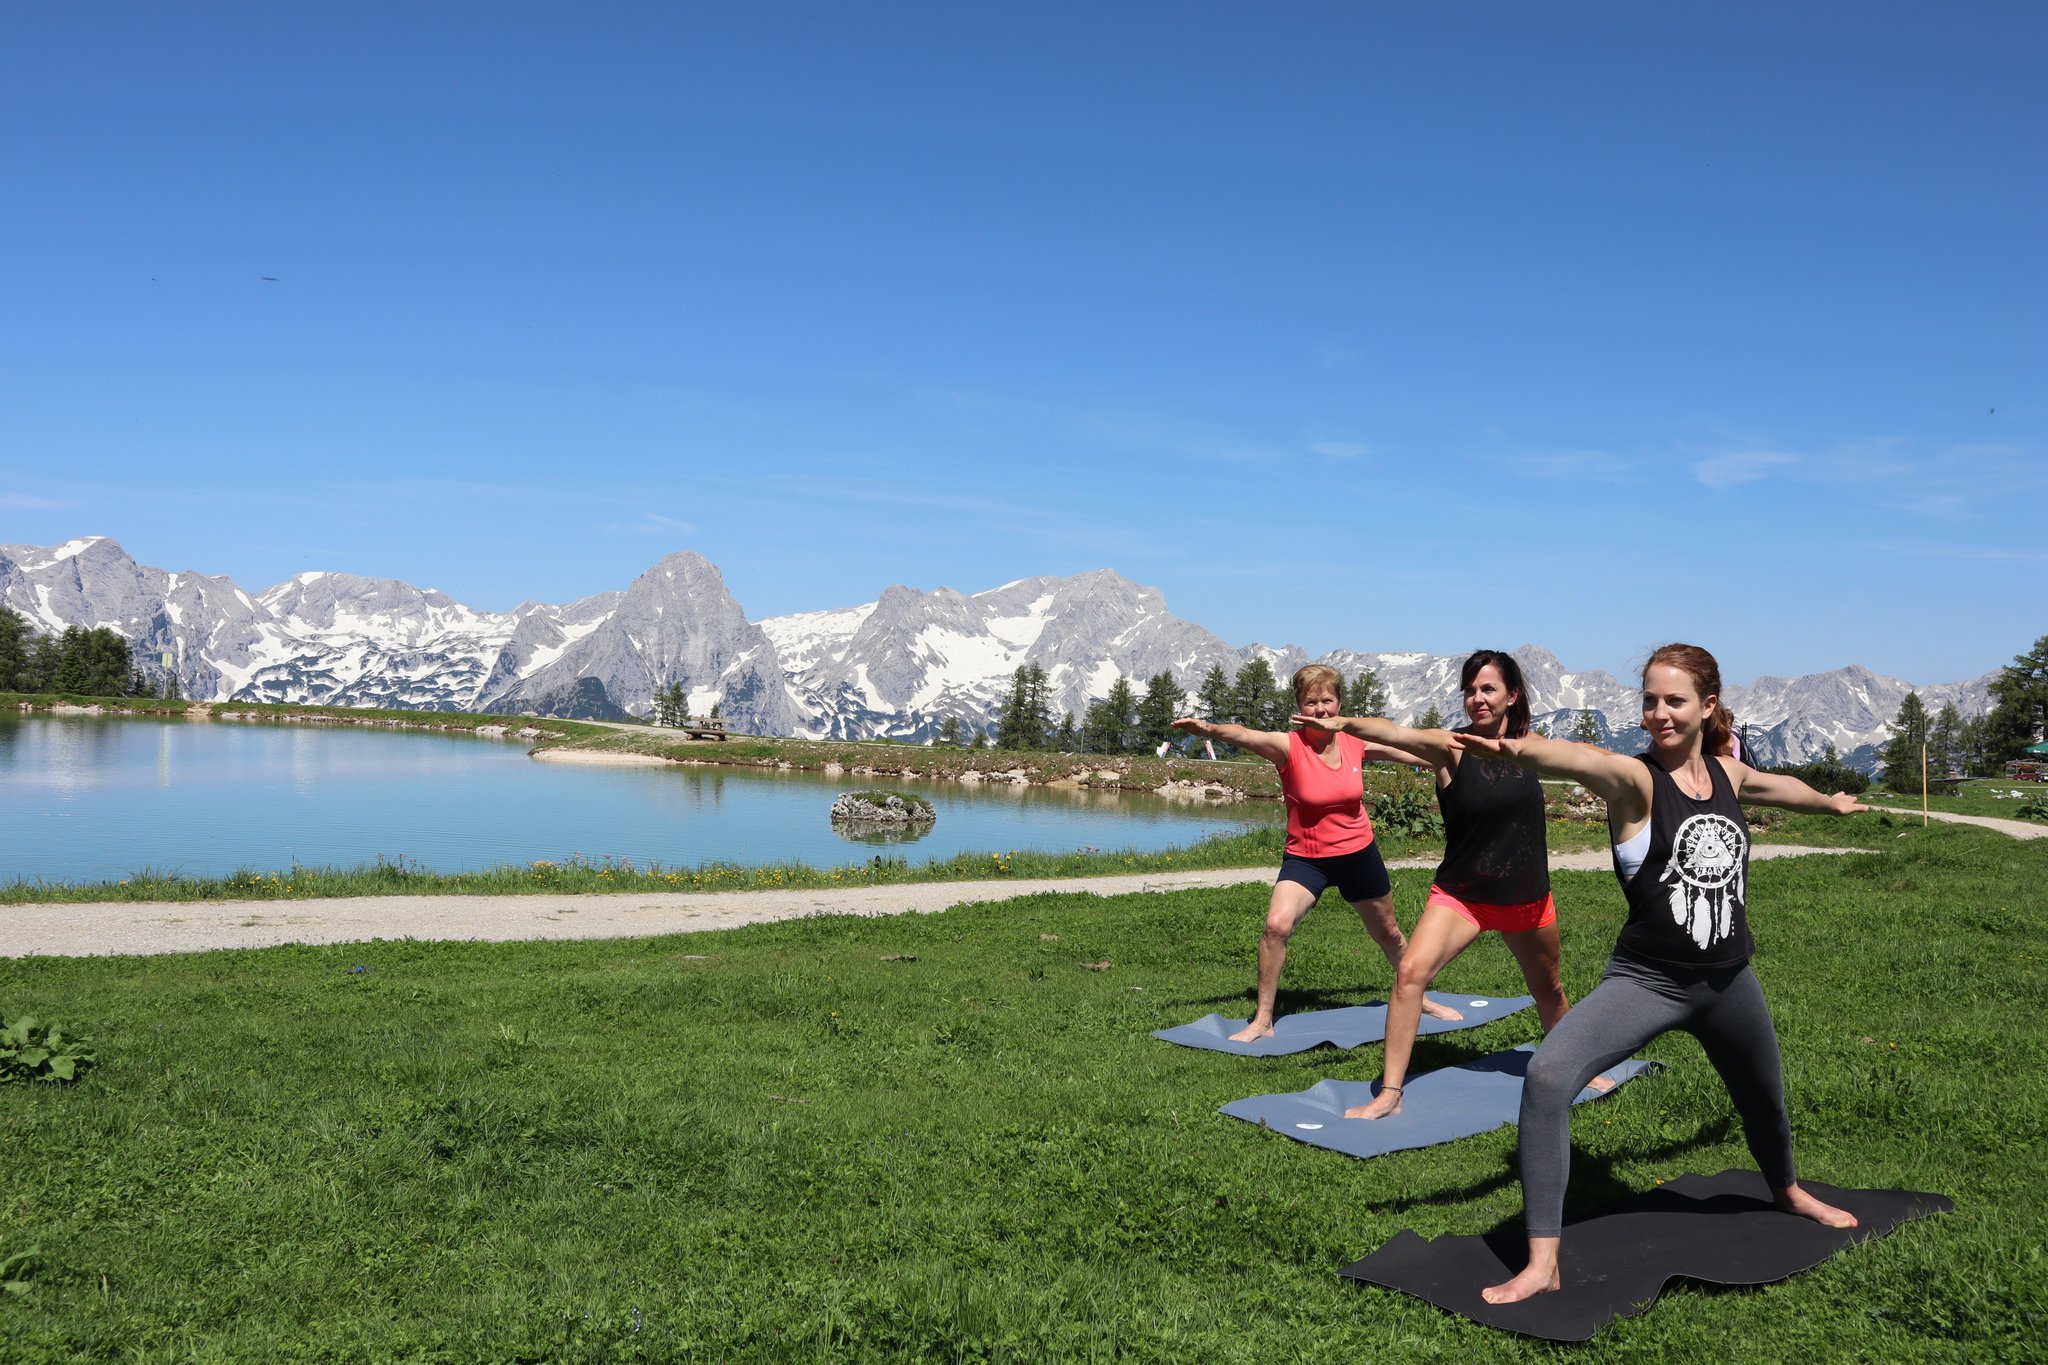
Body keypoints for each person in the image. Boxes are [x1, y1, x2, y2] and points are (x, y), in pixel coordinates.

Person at [1450, 643, 1867, 1305]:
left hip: (1731, 981)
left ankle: (1788, 1190)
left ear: (1707, 706)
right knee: (1548, 1076)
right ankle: (1541, 1259)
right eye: (1649, 700)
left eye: (1673, 700)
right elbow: (1585, 759)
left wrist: (1830, 803)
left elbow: (1778, 788)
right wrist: (1514, 748)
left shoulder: (1728, 776)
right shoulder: (1637, 782)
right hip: (1650, 981)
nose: (1658, 713)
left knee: (1765, 1098)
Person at [1291, 650, 1572, 1121]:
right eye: (1470, 690)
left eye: (1488, 689)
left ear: (1512, 695)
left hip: (1525, 897)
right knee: (1409, 975)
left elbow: (1592, 760)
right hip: (1462, 896)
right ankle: (1390, 1093)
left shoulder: (1531, 746)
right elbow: (1397, 733)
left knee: (1550, 992)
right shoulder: (1451, 747)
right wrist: (1345, 725)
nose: (1477, 699)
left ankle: (1573, 1070)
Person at [1171, 665, 1460, 1043]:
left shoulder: (1356, 743)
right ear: (1299, 707)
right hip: (1307, 859)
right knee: (1276, 926)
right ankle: (1262, 1019)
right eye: (1312, 702)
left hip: (1359, 855)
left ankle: (1420, 999)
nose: (1321, 709)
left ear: (1339, 703)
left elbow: (1413, 751)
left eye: (1328, 700)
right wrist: (1208, 730)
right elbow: (1243, 734)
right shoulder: (1288, 746)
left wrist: (1460, 759)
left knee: (1389, 934)